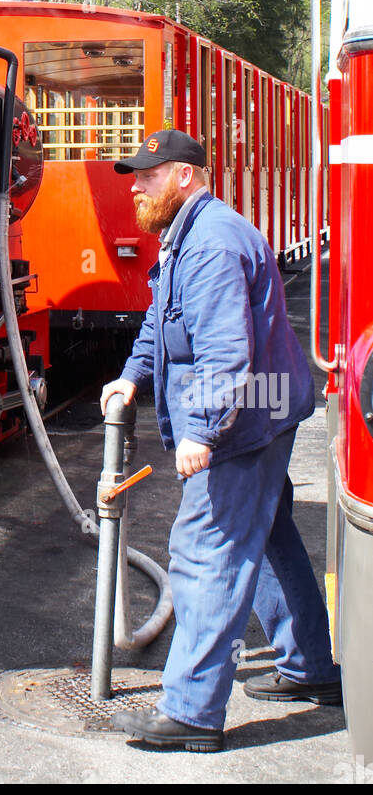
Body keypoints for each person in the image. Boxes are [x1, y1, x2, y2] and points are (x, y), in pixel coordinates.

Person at [100, 128, 341, 752]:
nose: (136, 186)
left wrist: (203, 431)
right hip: (263, 415)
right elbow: (161, 318)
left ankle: (191, 712)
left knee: (205, 551)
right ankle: (310, 666)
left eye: (148, 176)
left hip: (242, 423)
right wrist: (131, 377)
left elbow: (226, 352)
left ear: (184, 176)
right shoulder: (186, 236)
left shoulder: (208, 244)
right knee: (265, 538)